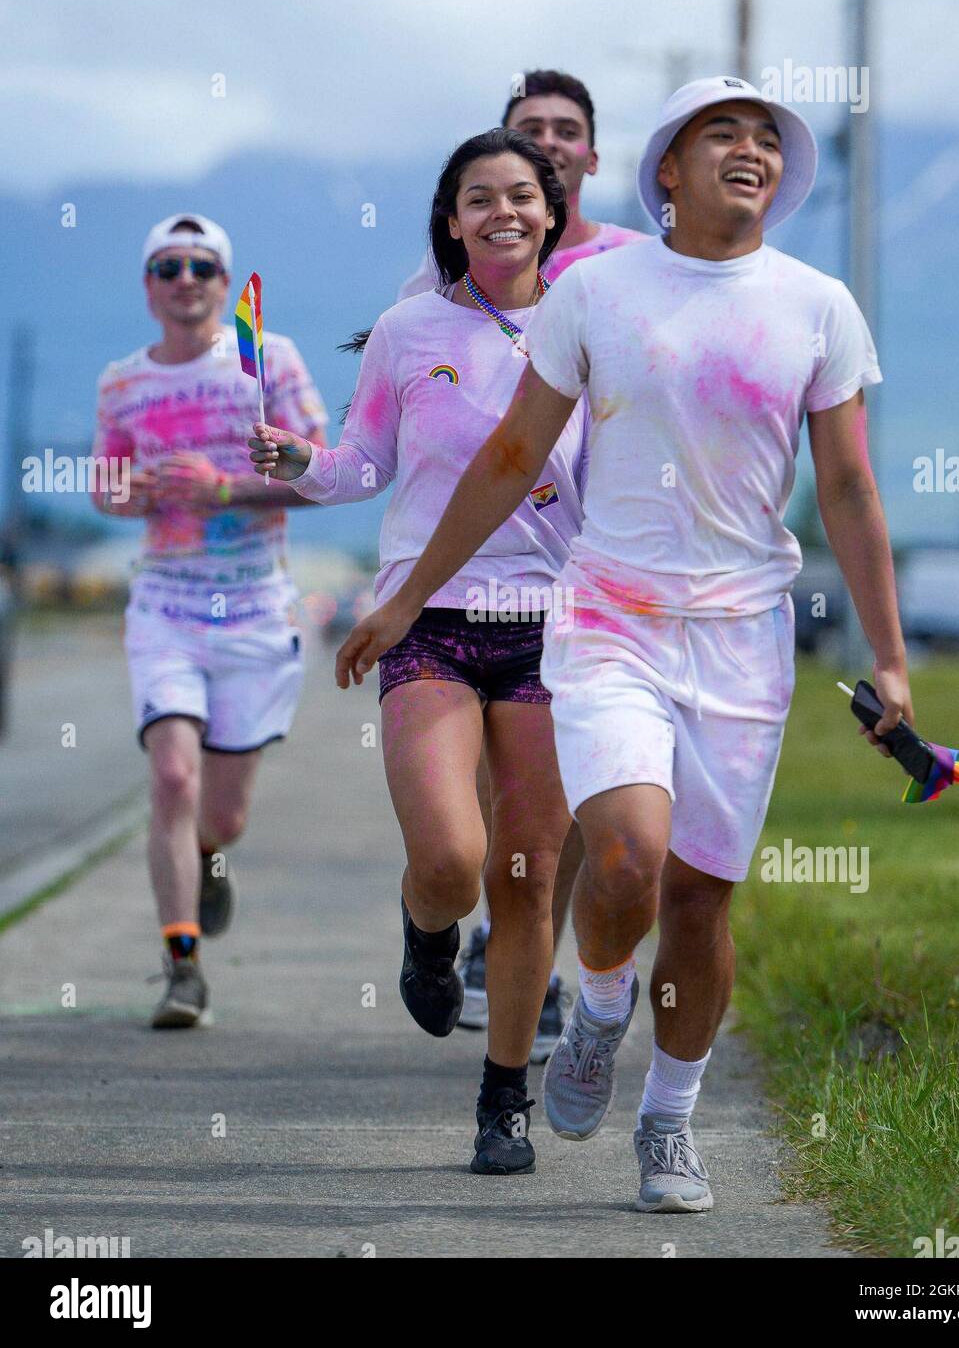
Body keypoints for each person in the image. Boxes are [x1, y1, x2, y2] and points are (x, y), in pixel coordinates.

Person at [332, 76, 913, 1213]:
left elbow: (845, 486)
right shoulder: (594, 293)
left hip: (742, 632)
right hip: (605, 616)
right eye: (720, 135)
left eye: (764, 140)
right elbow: (508, 459)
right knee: (627, 859)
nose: (748, 151)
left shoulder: (817, 304)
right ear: (664, 169)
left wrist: (887, 656)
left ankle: (669, 1124)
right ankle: (600, 1002)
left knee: (698, 901)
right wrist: (407, 597)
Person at [250, 130, 588, 1176]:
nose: (503, 211)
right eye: (478, 196)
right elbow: (363, 464)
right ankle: (425, 925)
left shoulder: (592, 330)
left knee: (526, 878)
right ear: (449, 221)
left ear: (551, 213)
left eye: (522, 195)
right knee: (451, 858)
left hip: (551, 628)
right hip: (427, 620)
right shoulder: (407, 329)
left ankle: (503, 1101)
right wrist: (300, 463)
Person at [400, 70, 646, 1058]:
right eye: (525, 131)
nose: (544, 143)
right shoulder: (440, 289)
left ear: (582, 160)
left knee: (561, 812)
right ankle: (484, 932)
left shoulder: (632, 265)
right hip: (472, 591)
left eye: (564, 132)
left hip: (599, 579)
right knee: (489, 827)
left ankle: (524, 959)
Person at [92, 213, 328, 1029]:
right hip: (166, 606)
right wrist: (144, 489)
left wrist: (226, 486)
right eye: (167, 266)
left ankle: (209, 856)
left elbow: (320, 474)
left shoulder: (270, 361)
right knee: (172, 778)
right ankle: (181, 965)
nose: (184, 278)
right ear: (149, 286)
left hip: (257, 612)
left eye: (201, 266)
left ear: (225, 285)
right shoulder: (122, 382)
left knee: (220, 815)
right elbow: (106, 490)